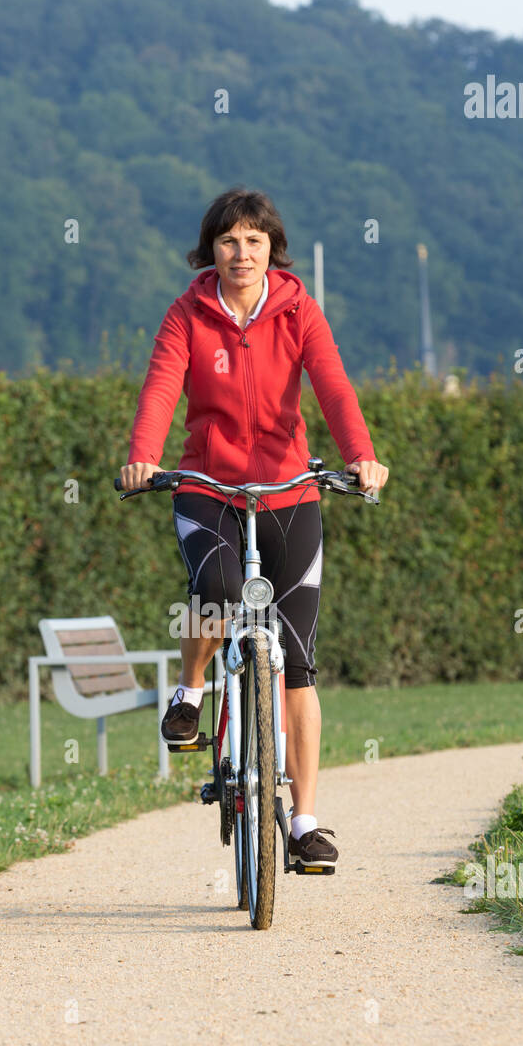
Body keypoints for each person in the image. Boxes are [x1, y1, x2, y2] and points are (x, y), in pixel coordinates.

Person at [119, 186, 389, 867]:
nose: (242, 254)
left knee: (296, 660)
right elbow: (161, 386)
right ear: (211, 250)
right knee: (215, 592)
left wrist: (360, 456)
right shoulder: (188, 314)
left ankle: (305, 824)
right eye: (229, 241)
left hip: (288, 491)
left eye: (254, 242)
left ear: (273, 250)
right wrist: (142, 456)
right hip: (207, 486)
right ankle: (191, 690)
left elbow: (332, 384)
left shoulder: (299, 311)